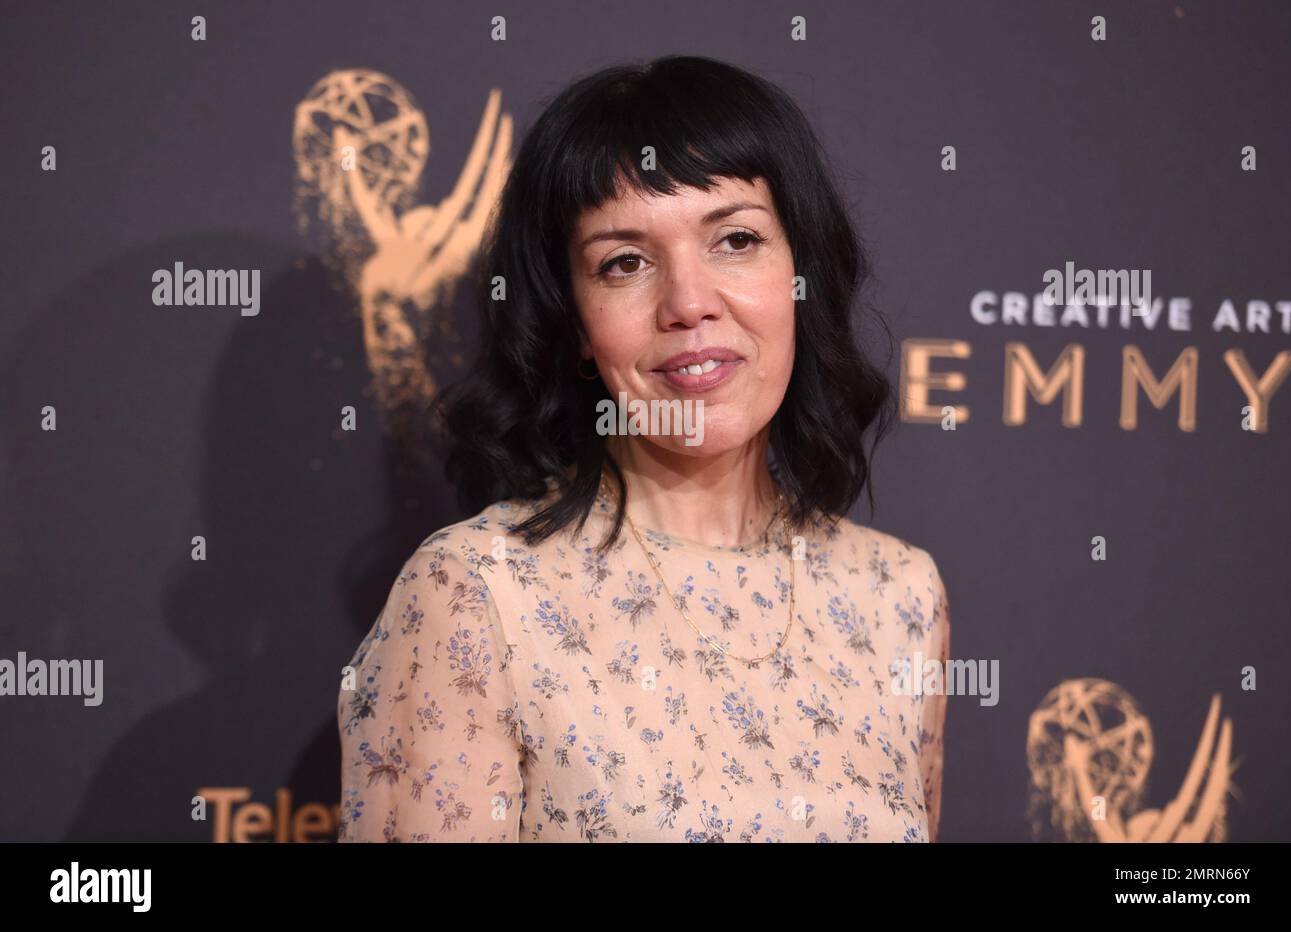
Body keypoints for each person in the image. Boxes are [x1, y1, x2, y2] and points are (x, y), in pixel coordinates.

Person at [337, 54, 951, 842]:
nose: (690, 304)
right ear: (574, 324)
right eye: (624, 262)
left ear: (803, 274)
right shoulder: (476, 597)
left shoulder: (898, 595)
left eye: (735, 239)